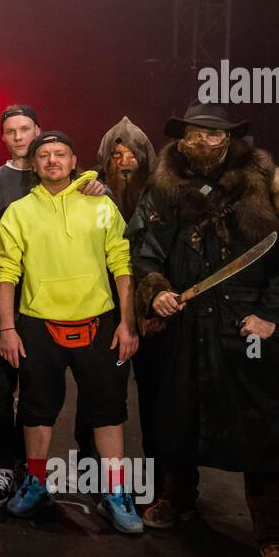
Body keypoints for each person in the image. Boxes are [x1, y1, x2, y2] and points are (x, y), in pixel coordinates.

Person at [127, 101, 279, 557]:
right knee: (177, 415)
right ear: (181, 137)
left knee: (263, 431)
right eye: (196, 134)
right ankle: (177, 497)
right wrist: (157, 290)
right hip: (184, 322)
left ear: (229, 139)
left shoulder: (265, 178)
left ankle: (274, 537)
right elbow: (142, 251)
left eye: (216, 135)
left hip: (243, 325)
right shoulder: (162, 185)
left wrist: (269, 316)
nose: (206, 142)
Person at [0, 131, 143, 534]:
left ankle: (115, 490)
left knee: (109, 409)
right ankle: (36, 482)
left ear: (74, 159)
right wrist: (7, 327)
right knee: (36, 409)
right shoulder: (18, 212)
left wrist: (128, 322)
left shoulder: (101, 206)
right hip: (38, 324)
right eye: (44, 155)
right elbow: (6, 272)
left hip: (100, 322)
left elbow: (123, 266)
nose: (53, 161)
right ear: (34, 163)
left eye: (60, 154)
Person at [0, 106, 104, 508]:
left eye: (25, 129)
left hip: (58, 313)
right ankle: (6, 467)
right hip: (9, 306)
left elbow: (104, 238)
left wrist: (100, 188)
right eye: (10, 131)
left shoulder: (76, 183)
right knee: (2, 391)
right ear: (2, 137)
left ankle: (86, 469)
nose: (18, 137)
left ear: (38, 130)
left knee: (48, 396)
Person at [95, 116, 162, 498]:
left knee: (159, 399)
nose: (124, 160)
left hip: (155, 311)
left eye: (132, 153)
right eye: (116, 153)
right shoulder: (91, 193)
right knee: (103, 397)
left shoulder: (164, 195)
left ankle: (162, 485)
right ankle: (101, 481)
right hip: (107, 310)